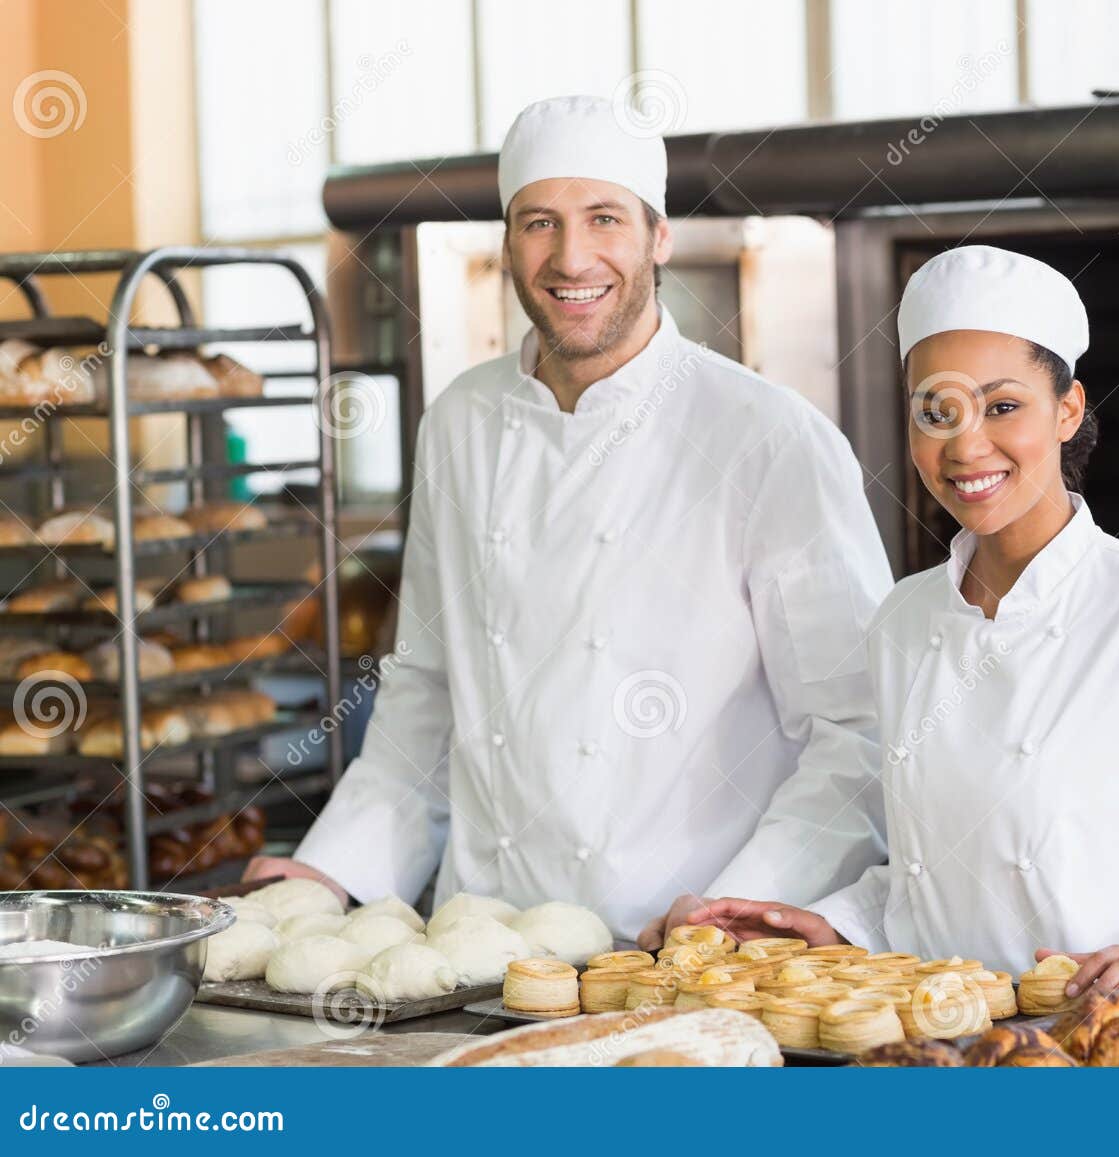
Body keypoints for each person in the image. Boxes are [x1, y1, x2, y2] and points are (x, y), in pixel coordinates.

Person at [245, 96, 893, 943]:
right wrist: (333, 869)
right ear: (508, 242)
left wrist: (745, 906)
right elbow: (429, 690)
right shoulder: (461, 421)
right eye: (539, 223)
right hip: (479, 950)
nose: (570, 255)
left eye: (604, 219)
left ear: (658, 237)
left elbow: (858, 729)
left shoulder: (768, 436)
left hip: (681, 947)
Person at [684, 245, 1119, 1005]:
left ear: (1067, 410)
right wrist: (835, 926)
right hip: (944, 1058)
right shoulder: (905, 620)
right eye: (937, 410)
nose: (966, 445)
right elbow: (933, 879)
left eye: (1003, 406)